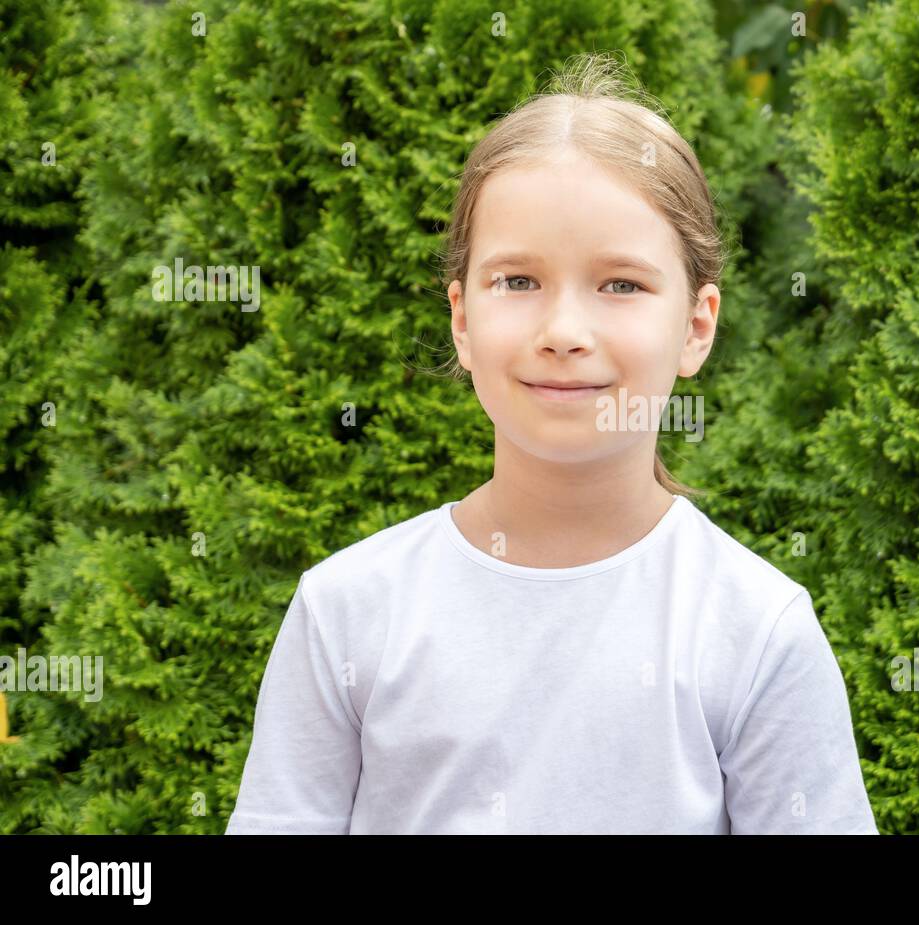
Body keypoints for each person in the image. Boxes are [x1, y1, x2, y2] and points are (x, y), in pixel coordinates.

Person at [225, 52, 878, 835]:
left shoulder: (758, 631)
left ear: (697, 325)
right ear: (462, 319)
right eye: (519, 281)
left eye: (622, 284)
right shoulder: (346, 613)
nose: (564, 332)